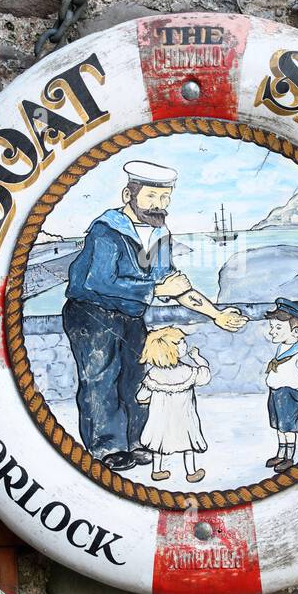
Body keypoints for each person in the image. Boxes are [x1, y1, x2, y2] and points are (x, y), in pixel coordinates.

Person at [61, 160, 247, 471]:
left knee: (135, 376)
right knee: (100, 378)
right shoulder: (107, 230)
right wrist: (155, 289)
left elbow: (173, 284)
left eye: (164, 198)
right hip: (91, 314)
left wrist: (215, 314)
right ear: (128, 195)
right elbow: (99, 281)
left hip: (130, 314)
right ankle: (107, 447)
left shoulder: (160, 234)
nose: (158, 205)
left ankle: (137, 441)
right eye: (151, 197)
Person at [135, 326, 211, 484]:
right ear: (170, 350)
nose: (185, 344)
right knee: (188, 446)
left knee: (158, 445)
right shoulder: (187, 371)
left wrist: (149, 400)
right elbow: (205, 375)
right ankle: (191, 473)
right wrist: (197, 358)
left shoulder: (153, 374)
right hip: (184, 418)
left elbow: (141, 396)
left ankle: (157, 471)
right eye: (180, 342)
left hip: (160, 419)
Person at [263, 298, 298, 471]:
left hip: (290, 395)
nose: (272, 331)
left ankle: (289, 457)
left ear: (295, 332)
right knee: (279, 426)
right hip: (276, 393)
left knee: (288, 427)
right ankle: (280, 455)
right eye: (272, 327)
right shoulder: (282, 348)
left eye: (278, 328)